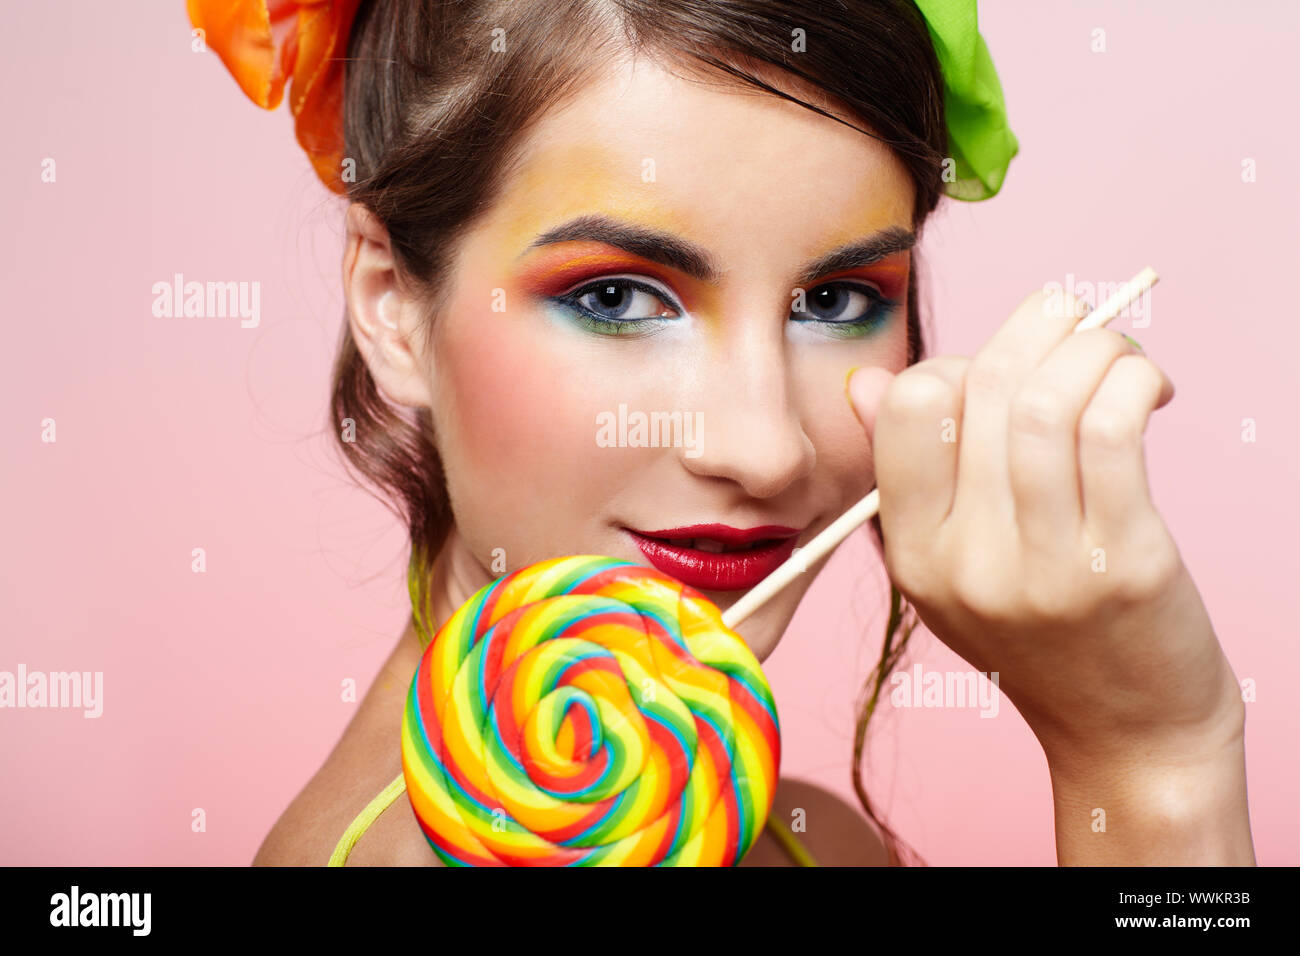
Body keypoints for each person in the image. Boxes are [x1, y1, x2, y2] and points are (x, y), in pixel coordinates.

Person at [187, 0, 1254, 866]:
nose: (766, 447)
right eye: (615, 296)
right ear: (391, 303)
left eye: (833, 299)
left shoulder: (811, 839)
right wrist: (1151, 767)